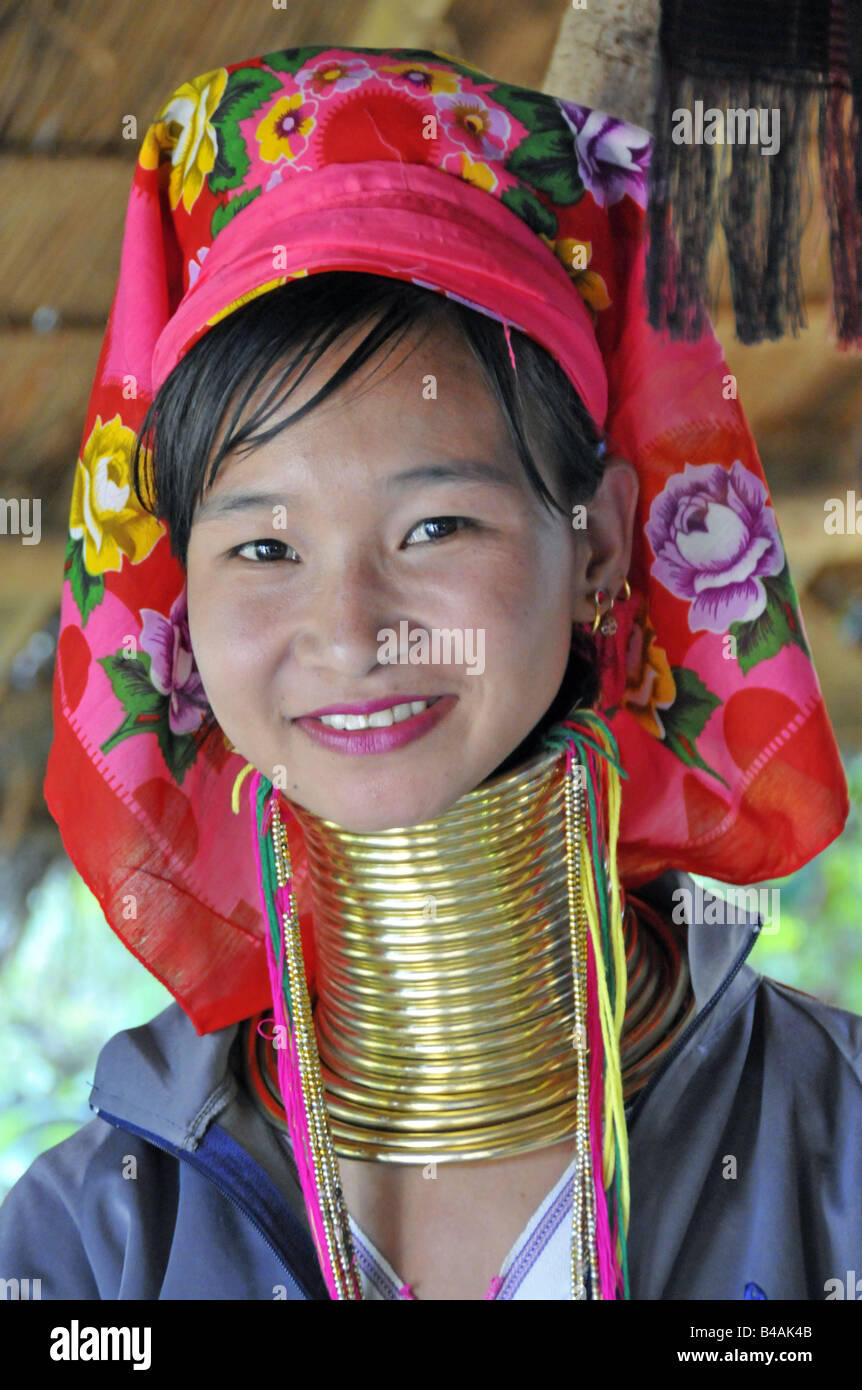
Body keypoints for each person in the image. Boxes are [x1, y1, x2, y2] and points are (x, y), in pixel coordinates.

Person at [1, 44, 859, 1302]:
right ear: (179, 585)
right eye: (265, 546)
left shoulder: (831, 1155)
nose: (350, 632)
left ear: (599, 546)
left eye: (435, 527)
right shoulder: (88, 1253)